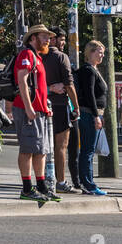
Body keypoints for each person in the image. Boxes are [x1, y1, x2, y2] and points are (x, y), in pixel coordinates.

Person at [13, 24, 60, 202]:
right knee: (27, 149)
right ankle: (26, 188)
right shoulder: (26, 54)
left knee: (41, 150)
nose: (48, 39)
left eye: (49, 37)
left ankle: (41, 186)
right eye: (44, 36)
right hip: (28, 110)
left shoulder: (37, 57)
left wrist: (44, 107)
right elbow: (22, 81)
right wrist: (28, 107)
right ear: (33, 37)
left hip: (39, 110)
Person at [42, 27, 79, 193]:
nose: (63, 43)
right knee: (61, 146)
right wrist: (76, 106)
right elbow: (69, 84)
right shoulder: (60, 57)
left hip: (41, 104)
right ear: (53, 39)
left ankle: (43, 180)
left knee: (42, 146)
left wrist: (48, 89)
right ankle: (61, 181)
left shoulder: (37, 56)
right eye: (61, 39)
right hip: (59, 105)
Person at [75, 40, 109, 196]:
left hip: (93, 113)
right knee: (88, 151)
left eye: (103, 52)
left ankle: (88, 182)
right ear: (90, 52)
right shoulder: (88, 70)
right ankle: (88, 183)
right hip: (89, 114)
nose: (101, 55)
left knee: (89, 150)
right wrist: (96, 116)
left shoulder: (94, 69)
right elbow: (89, 95)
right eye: (99, 52)